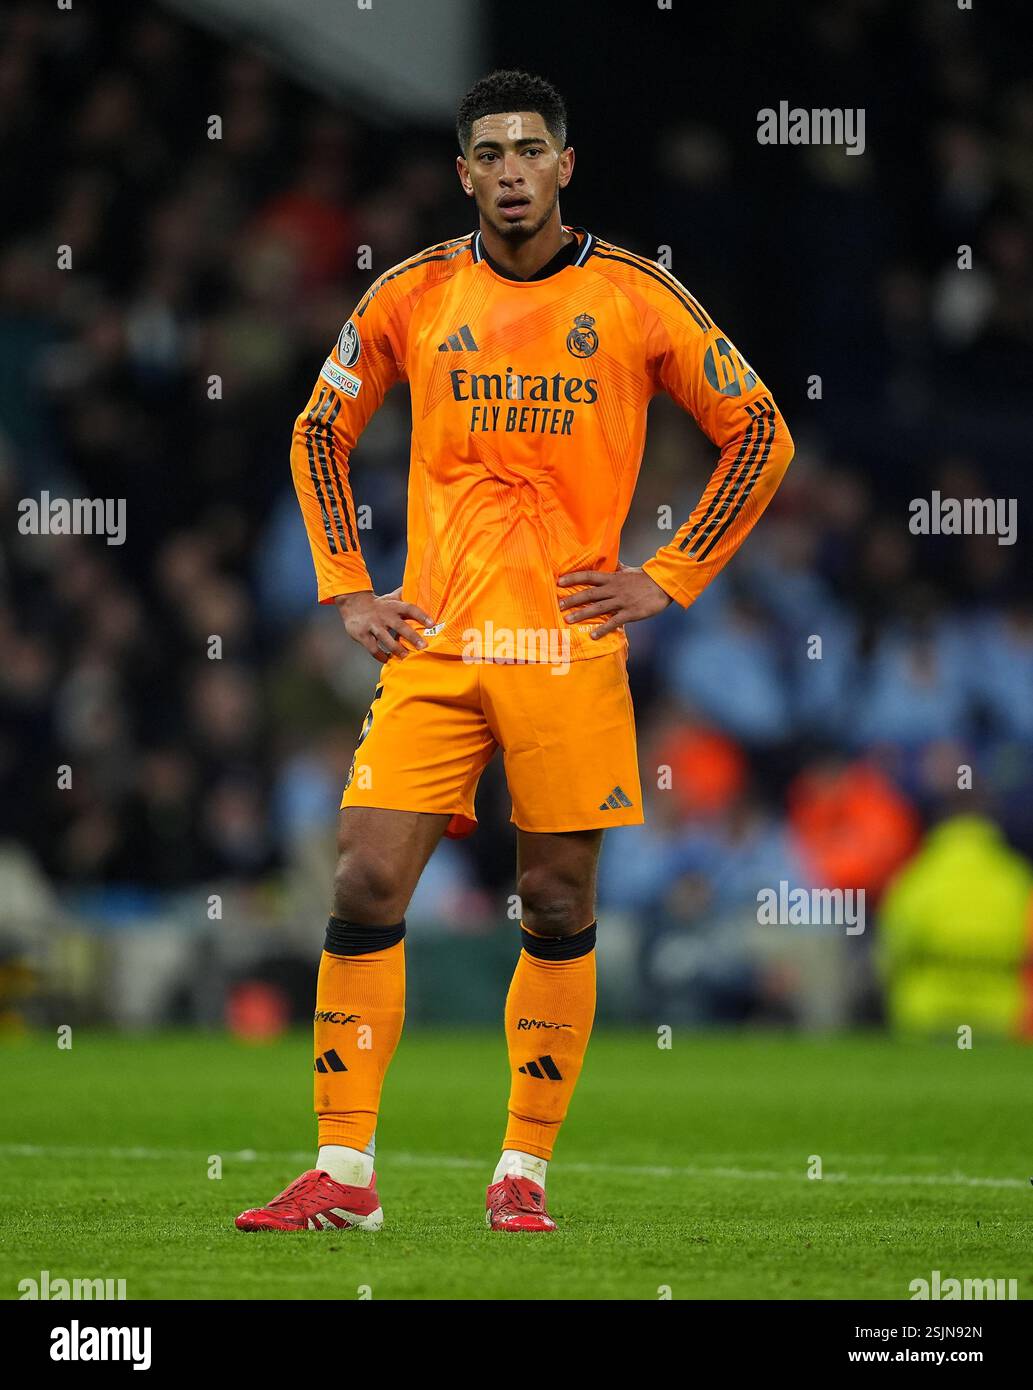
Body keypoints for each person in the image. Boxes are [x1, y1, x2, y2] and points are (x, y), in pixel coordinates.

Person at [236, 69, 794, 1235]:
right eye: (486, 152)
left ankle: (521, 1173)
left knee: (552, 900)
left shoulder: (636, 295)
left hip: (565, 644)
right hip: (433, 643)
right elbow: (319, 425)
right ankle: (343, 1173)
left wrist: (668, 573)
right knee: (361, 877)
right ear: (462, 173)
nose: (507, 171)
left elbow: (759, 430)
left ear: (563, 164)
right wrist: (345, 585)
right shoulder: (415, 291)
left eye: (528, 150)